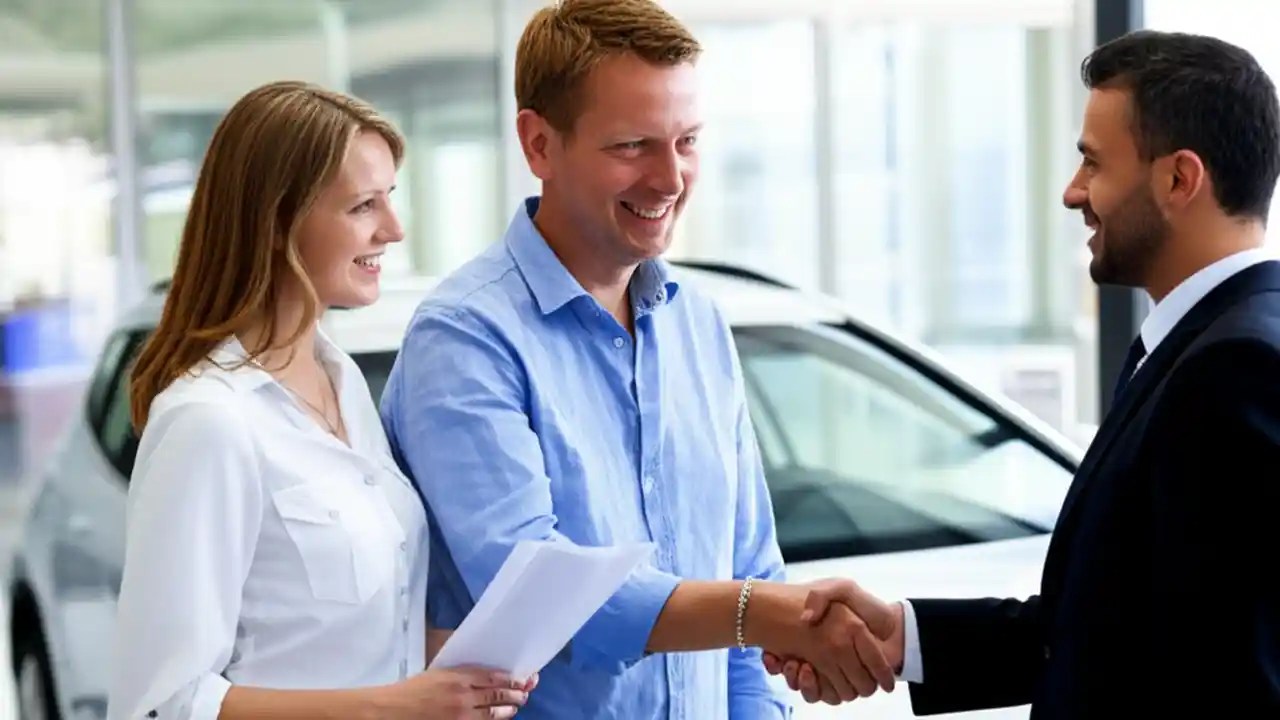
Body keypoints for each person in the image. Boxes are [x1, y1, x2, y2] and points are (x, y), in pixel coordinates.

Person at [378, 1, 895, 718]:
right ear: (538, 145)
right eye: (632, 147)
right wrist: (760, 611)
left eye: (686, 140)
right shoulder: (465, 339)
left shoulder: (701, 324)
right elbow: (541, 600)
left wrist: (761, 635)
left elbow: (746, 572)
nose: (671, 178)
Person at [764, 29, 1280, 718]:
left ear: (1179, 179)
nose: (1074, 193)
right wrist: (902, 636)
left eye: (1093, 164)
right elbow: (1110, 634)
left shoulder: (1233, 369)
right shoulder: (1195, 346)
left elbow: (1230, 680)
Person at [107, 80, 534, 720]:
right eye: (364, 205)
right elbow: (162, 704)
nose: (394, 228)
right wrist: (395, 706)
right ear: (278, 220)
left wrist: (455, 675)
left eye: (390, 198)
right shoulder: (210, 422)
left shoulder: (344, 385)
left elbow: (330, 637)